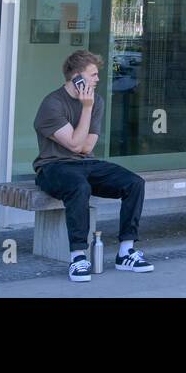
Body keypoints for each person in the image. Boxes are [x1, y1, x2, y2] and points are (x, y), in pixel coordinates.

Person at [33, 50, 153, 282]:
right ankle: (78, 257)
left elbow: (86, 148)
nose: (98, 79)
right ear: (77, 77)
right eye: (94, 74)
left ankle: (126, 251)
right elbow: (76, 144)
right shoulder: (52, 104)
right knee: (79, 187)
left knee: (134, 183)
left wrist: (88, 106)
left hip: (86, 163)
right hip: (53, 167)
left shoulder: (96, 100)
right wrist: (85, 108)